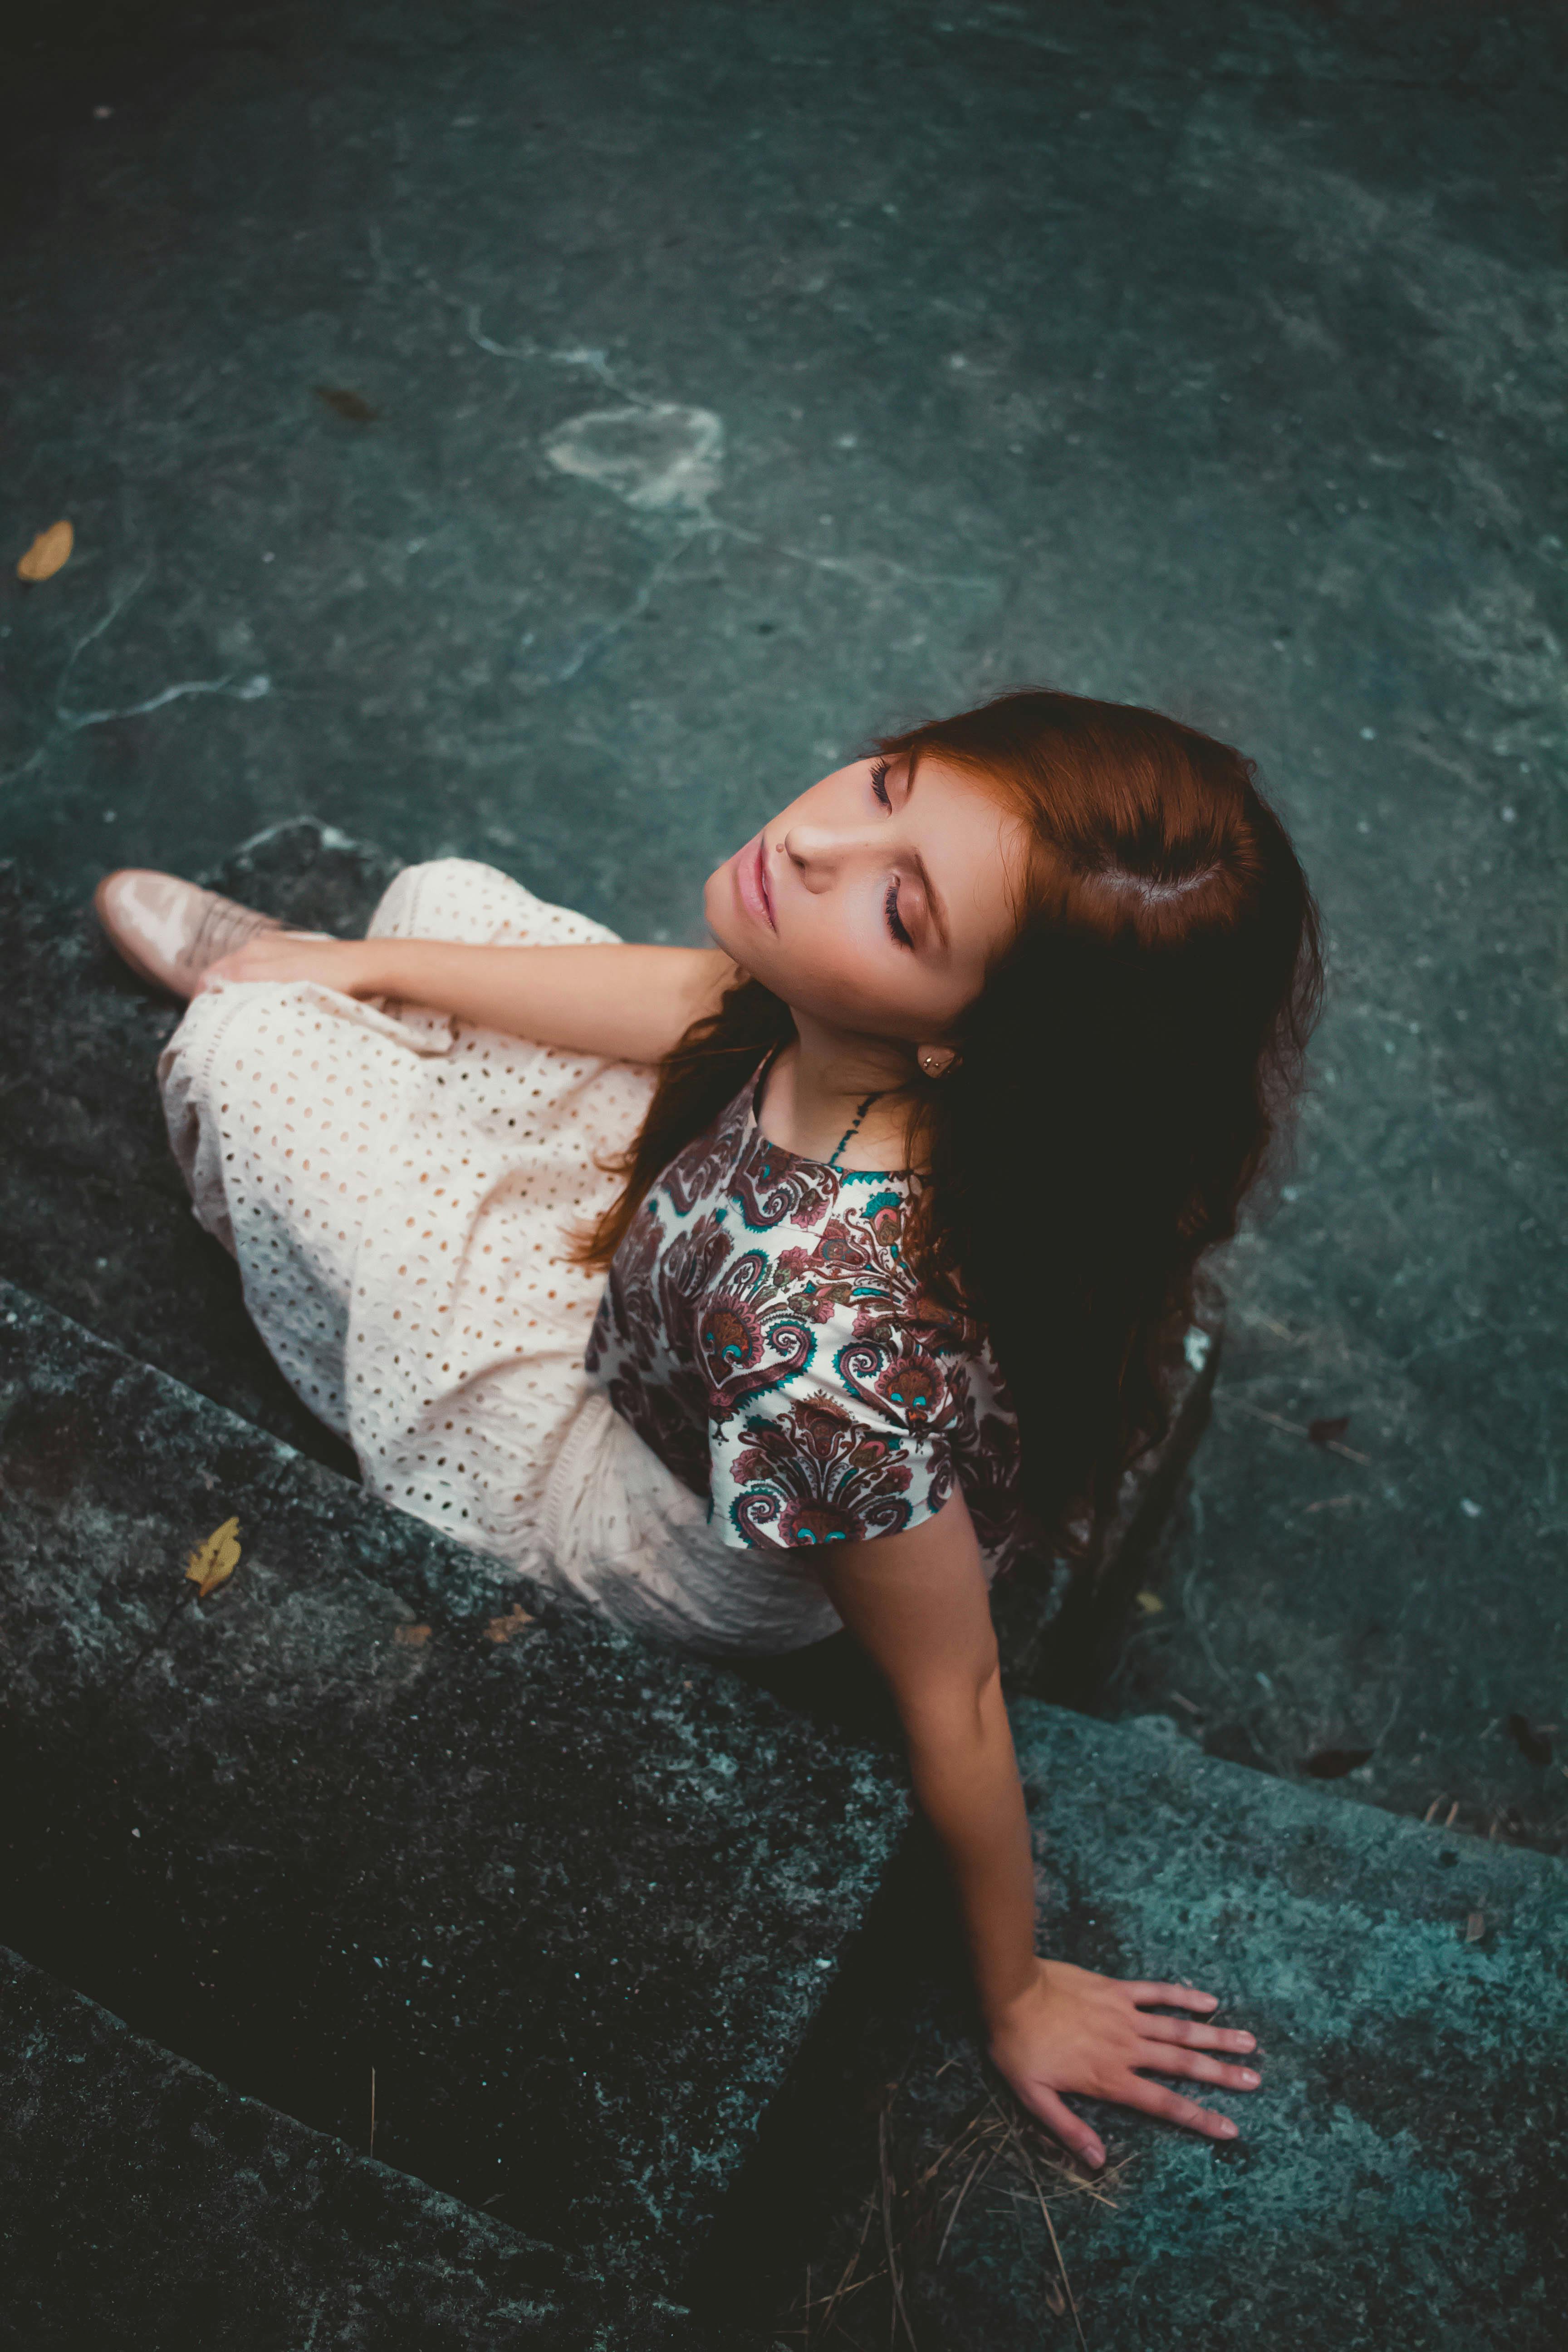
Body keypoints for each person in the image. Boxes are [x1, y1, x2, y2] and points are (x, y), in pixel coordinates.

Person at [95, 687, 1321, 2171]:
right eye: (889, 782)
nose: (810, 843)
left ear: (963, 1048)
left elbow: (956, 1697)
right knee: (439, 907)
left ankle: (296, 1031)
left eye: (901, 909)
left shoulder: (827, 1356)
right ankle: (337, 985)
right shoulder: (898, 1077)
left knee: (255, 1052)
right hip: (693, 1279)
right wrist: (356, 962)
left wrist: (1017, 1989)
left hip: (619, 1489)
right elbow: (705, 1012)